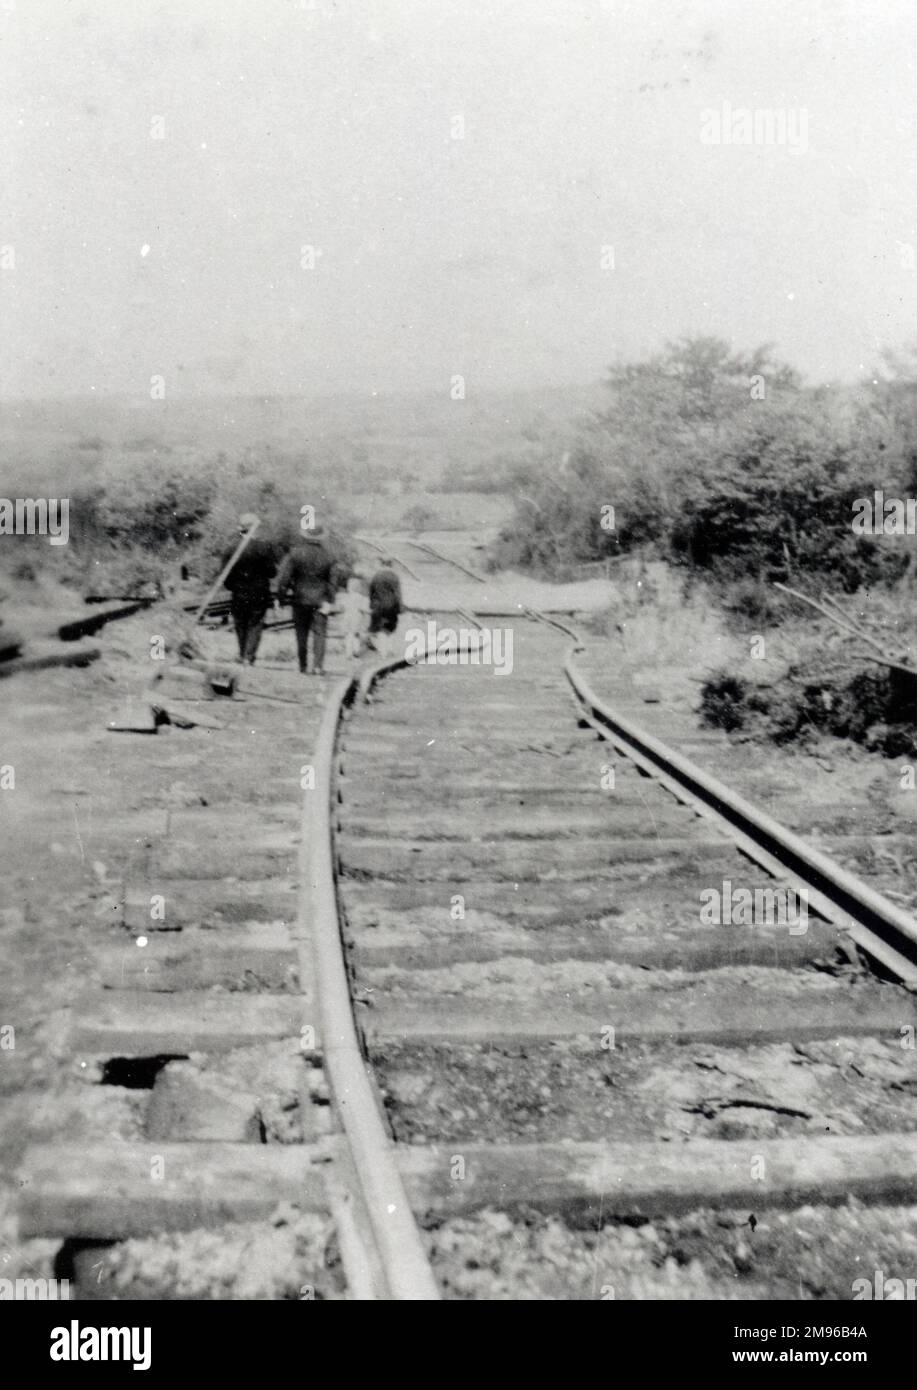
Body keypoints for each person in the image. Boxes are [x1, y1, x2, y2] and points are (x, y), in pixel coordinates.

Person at [276, 524, 335, 675]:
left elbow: (285, 579)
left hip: (300, 599)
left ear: (306, 536)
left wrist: (280, 598)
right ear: (321, 537)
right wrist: (331, 601)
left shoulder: (295, 554)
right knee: (320, 633)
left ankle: (303, 665)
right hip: (321, 600)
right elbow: (332, 582)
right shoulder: (329, 556)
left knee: (301, 633)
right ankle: (318, 667)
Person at [221, 514, 277, 665]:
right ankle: (248, 656)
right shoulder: (264, 547)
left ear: (240, 528)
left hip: (238, 592)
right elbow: (272, 572)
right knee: (255, 624)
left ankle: (242, 653)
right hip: (259, 593)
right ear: (254, 528)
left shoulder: (230, 547)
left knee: (240, 623)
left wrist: (234, 587)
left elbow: (225, 576)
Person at [367, 560, 402, 658]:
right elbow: (398, 594)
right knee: (390, 628)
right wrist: (399, 608)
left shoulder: (376, 576)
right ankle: (390, 649)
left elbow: (371, 592)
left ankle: (383, 653)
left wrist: (371, 605)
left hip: (378, 607)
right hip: (391, 607)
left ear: (382, 564)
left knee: (380, 629)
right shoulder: (394, 577)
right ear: (391, 565)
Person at [340, 568, 370, 660]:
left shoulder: (346, 597)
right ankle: (355, 651)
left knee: (349, 635)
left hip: (347, 617)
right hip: (357, 618)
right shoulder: (361, 598)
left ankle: (348, 652)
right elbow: (365, 609)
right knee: (356, 635)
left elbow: (342, 607)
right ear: (359, 587)